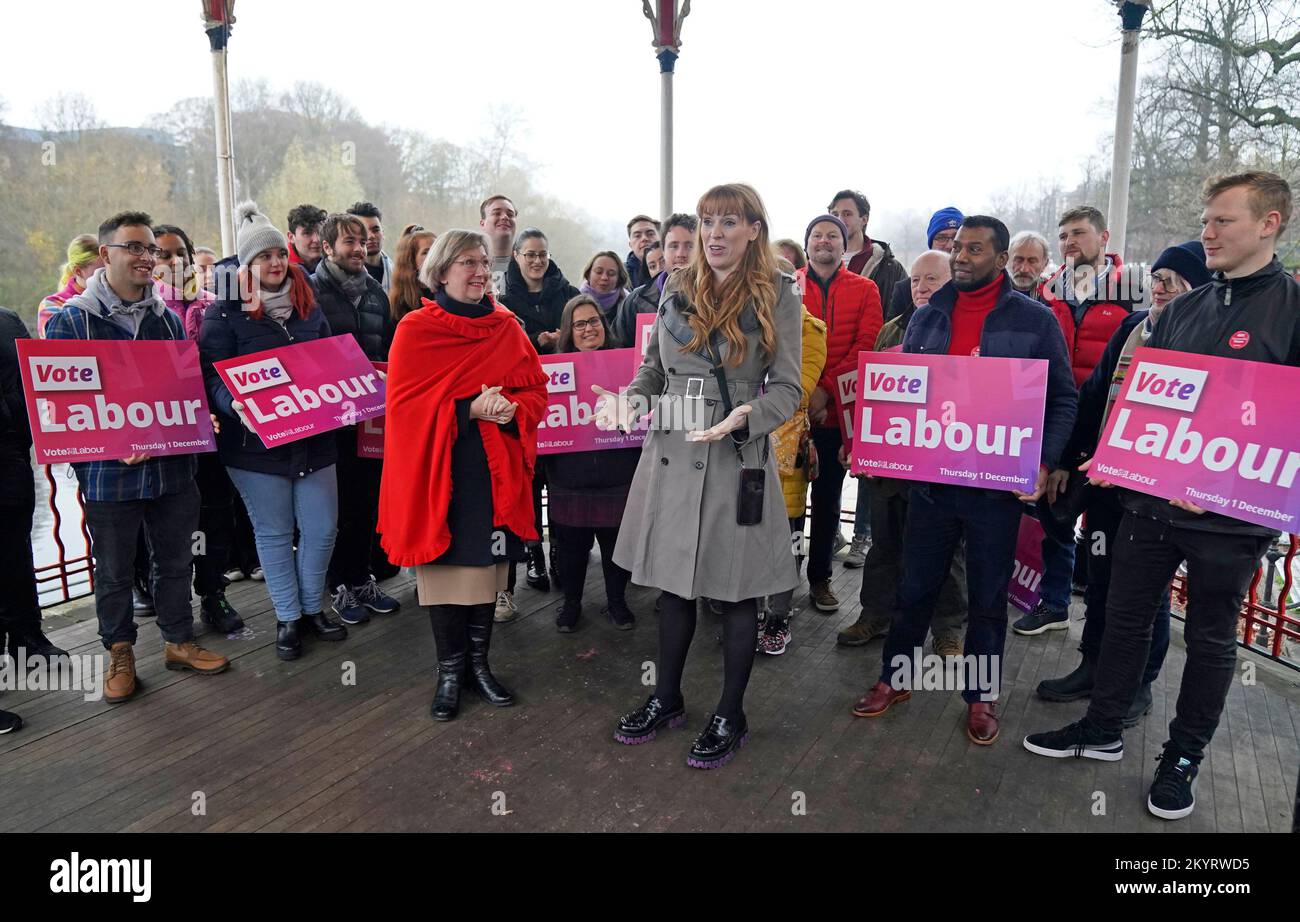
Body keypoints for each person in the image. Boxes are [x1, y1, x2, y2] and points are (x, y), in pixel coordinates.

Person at [1025, 172, 1299, 821]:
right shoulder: (1177, 311)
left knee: (1209, 639)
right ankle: (1102, 726)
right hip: (1149, 506)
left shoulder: (1291, 312)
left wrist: (1227, 486)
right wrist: (1115, 456)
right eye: (1205, 219)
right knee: (1123, 618)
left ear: (1269, 224)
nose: (1207, 231)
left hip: (1229, 524)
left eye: (1223, 221)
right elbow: (1144, 401)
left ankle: (1181, 759)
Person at [852, 216, 1076, 747]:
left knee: (987, 598)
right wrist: (879, 445)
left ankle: (980, 696)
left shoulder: (1036, 320)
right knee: (915, 587)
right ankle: (895, 677)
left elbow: (1063, 398)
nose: (961, 256)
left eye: (975, 249)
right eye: (957, 247)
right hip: (931, 487)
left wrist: (1043, 462)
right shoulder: (927, 318)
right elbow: (906, 392)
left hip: (994, 492)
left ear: (1001, 260)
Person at [602, 182, 803, 770]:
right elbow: (652, 371)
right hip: (671, 448)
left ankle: (730, 712)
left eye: (728, 222)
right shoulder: (675, 286)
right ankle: (667, 699)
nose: (714, 233)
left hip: (734, 454)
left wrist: (750, 417)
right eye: (707, 221)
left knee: (735, 592)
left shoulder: (779, 294)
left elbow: (789, 387)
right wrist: (631, 403)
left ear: (753, 231)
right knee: (673, 587)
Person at [46, 211, 230, 702]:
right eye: (136, 247)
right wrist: (110, 443)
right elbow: (60, 407)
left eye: (151, 248)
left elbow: (180, 390)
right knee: (114, 568)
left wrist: (197, 417)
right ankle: (120, 652)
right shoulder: (71, 321)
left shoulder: (168, 319)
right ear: (105, 254)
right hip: (108, 474)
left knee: (174, 560)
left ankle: (178, 640)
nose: (147, 257)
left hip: (173, 467)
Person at [1034, 240, 1211, 725]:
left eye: (1174, 281)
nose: (1160, 286)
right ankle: (1093, 666)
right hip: (1108, 485)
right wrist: (1068, 460)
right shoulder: (1135, 328)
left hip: (1162, 494)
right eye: (1157, 277)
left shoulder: (1206, 339)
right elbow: (1093, 396)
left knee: (1145, 594)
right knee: (1101, 580)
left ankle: (1138, 685)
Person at [378, 229, 548, 721]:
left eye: (482, 263)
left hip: (493, 476)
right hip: (440, 478)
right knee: (449, 579)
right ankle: (449, 674)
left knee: (485, 576)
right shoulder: (414, 329)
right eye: (467, 263)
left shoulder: (507, 328)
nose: (479, 272)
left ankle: (479, 666)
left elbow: (537, 391)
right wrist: (467, 409)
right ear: (442, 270)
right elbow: (404, 410)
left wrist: (510, 406)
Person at [201, 202, 347, 662]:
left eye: (279, 254)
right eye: (264, 257)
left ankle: (311, 608)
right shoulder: (225, 313)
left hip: (314, 436)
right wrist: (232, 403)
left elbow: (329, 360)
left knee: (322, 529)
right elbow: (210, 375)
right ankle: (288, 616)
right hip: (254, 446)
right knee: (275, 532)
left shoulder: (308, 306)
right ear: (246, 264)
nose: (276, 263)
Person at [1013, 206, 1139, 637]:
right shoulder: (1048, 292)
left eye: (1079, 233)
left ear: (1104, 238)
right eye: (1064, 235)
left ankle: (1103, 631)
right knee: (1056, 514)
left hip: (1112, 428)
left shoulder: (1133, 293)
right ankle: (1055, 603)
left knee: (1109, 532)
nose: (1070, 242)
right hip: (1060, 418)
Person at [836, 250, 968, 655]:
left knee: (949, 551)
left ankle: (948, 628)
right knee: (885, 544)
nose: (921, 287)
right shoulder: (892, 330)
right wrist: (861, 448)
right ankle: (876, 614)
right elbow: (872, 394)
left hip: (945, 462)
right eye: (915, 280)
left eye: (932, 279)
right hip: (892, 462)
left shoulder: (964, 330)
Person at [153, 223, 242, 634]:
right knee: (166, 522)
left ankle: (212, 592)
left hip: (212, 431)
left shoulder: (213, 306)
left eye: (182, 255)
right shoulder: (147, 311)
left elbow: (221, 369)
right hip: (160, 434)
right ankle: (168, 607)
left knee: (215, 514)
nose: (176, 263)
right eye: (165, 255)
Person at [313, 212, 401, 626]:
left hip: (370, 419)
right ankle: (338, 586)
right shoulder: (310, 292)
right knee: (335, 507)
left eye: (363, 241)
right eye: (349, 241)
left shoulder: (375, 294)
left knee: (367, 501)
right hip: (328, 421)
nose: (359, 249)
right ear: (327, 246)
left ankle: (362, 576)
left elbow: (388, 348)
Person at [798, 213, 883, 615]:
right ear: (807, 242)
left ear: (845, 243)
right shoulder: (787, 285)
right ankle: (783, 574)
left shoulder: (866, 290)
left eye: (833, 235)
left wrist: (827, 389)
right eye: (817, 235)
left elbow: (867, 345)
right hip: (792, 413)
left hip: (836, 416)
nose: (825, 241)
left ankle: (819, 578)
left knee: (828, 500)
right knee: (788, 502)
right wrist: (805, 391)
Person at [545, 295, 640, 632]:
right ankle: (571, 605)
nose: (589, 329)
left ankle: (617, 602)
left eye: (594, 321)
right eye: (580, 323)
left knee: (616, 544)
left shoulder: (628, 363)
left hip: (618, 471)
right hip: (569, 475)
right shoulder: (551, 368)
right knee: (571, 547)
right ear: (568, 329)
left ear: (604, 323)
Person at [759, 260, 827, 655]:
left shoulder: (809, 329)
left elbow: (796, 392)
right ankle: (749, 612)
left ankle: (779, 617)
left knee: (788, 539)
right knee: (748, 537)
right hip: (742, 450)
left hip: (786, 455)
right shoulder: (743, 322)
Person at [612, 213, 698, 347]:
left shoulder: (719, 295)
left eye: (689, 246)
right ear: (663, 250)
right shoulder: (635, 302)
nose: (681, 254)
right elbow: (619, 351)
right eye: (674, 246)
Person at [829, 189, 908, 319]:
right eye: (835, 214)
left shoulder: (890, 268)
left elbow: (900, 319)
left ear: (864, 219)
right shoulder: (815, 264)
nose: (840, 219)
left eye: (847, 214)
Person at [500, 227, 580, 353]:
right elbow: (502, 344)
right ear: (516, 255)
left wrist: (564, 339)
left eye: (543, 255)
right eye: (530, 255)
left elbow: (586, 333)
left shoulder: (571, 295)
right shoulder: (502, 301)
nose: (537, 261)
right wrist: (536, 340)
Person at [36, 234, 103, 338]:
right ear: (78, 271)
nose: (106, 275)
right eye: (100, 271)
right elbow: (57, 344)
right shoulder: (52, 305)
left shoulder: (116, 302)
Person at [347, 201, 393, 292]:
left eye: (375, 230)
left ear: (383, 233)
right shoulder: (343, 274)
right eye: (363, 230)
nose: (371, 236)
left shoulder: (398, 273)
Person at [580, 251, 630, 332]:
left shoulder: (630, 305)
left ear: (619, 278)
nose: (604, 277)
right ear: (588, 274)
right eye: (599, 272)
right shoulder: (574, 304)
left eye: (611, 273)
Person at [479, 194, 518, 296]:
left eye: (510, 214)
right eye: (497, 213)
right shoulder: (469, 265)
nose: (505, 217)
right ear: (482, 223)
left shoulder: (533, 262)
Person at [286, 204, 327, 274]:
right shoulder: (282, 269)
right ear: (291, 237)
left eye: (320, 232)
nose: (317, 239)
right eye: (307, 233)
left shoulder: (333, 261)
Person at [1008, 230, 1052, 295]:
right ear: (1007, 260)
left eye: (1032, 262)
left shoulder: (1055, 293)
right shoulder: (992, 289)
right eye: (1018, 260)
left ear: (1045, 264)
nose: (1024, 269)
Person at [624, 214, 660, 289]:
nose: (644, 238)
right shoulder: (621, 275)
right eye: (637, 236)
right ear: (630, 244)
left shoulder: (674, 267)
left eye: (650, 234)